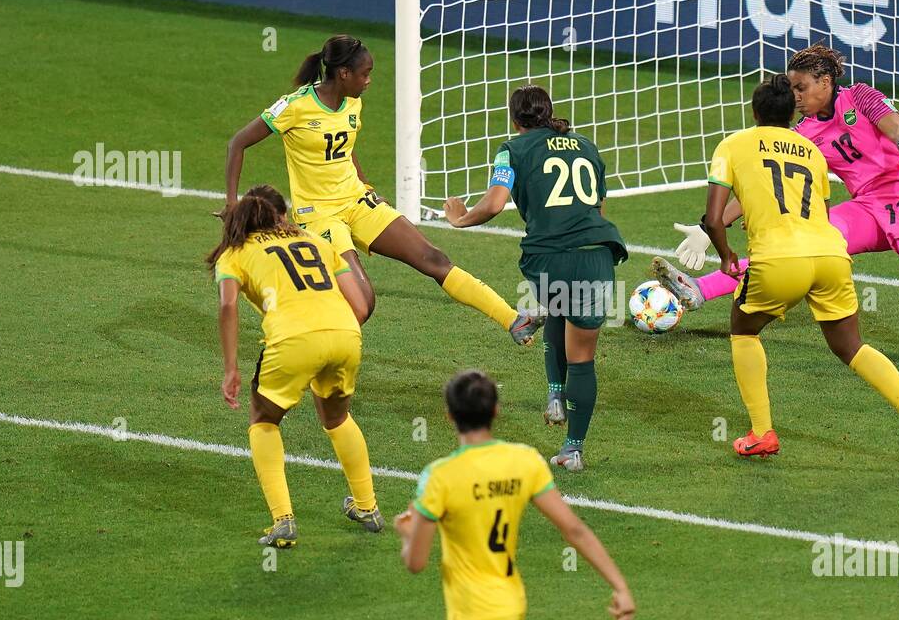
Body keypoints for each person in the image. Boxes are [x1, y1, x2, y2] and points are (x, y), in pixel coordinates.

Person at [656, 43, 899, 360]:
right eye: (792, 89)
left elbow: (892, 122)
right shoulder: (802, 133)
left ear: (826, 81)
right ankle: (699, 289)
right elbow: (762, 182)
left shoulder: (859, 96)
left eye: (802, 87)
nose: (796, 97)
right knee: (794, 244)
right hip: (865, 206)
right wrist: (711, 225)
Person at [225, 34, 542, 345]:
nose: (369, 81)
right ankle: (297, 345)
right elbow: (237, 143)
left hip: (357, 202)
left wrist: (366, 187)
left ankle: (513, 320)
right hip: (320, 216)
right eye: (365, 74)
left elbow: (346, 149)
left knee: (433, 258)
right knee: (362, 305)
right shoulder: (295, 106)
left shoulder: (352, 105)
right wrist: (231, 203)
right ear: (344, 73)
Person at [700, 75, 899, 470]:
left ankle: (762, 432)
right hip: (830, 256)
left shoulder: (733, 144)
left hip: (779, 261)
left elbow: (715, 218)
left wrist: (725, 253)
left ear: (754, 112)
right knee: (852, 348)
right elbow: (813, 205)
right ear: (788, 112)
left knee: (744, 330)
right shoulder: (811, 152)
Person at [395, 370, 635, 620]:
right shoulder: (523, 461)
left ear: (449, 415)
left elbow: (416, 562)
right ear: (496, 411)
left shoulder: (439, 477)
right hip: (498, 606)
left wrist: (407, 535)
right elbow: (574, 529)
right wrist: (620, 586)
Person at [443, 85, 628, 472]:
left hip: (548, 258)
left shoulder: (511, 149)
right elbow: (599, 208)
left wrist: (460, 217)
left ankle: (555, 394)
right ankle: (573, 449)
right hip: (597, 256)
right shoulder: (587, 147)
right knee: (583, 358)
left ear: (514, 119)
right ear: (549, 113)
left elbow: (495, 202)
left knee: (557, 303)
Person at [208, 186, 383, 547]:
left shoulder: (235, 253)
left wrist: (230, 367)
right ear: (279, 216)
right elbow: (359, 304)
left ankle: (283, 521)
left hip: (293, 340)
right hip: (345, 333)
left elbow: (227, 306)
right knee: (337, 419)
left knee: (264, 420)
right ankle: (367, 506)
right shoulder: (314, 240)